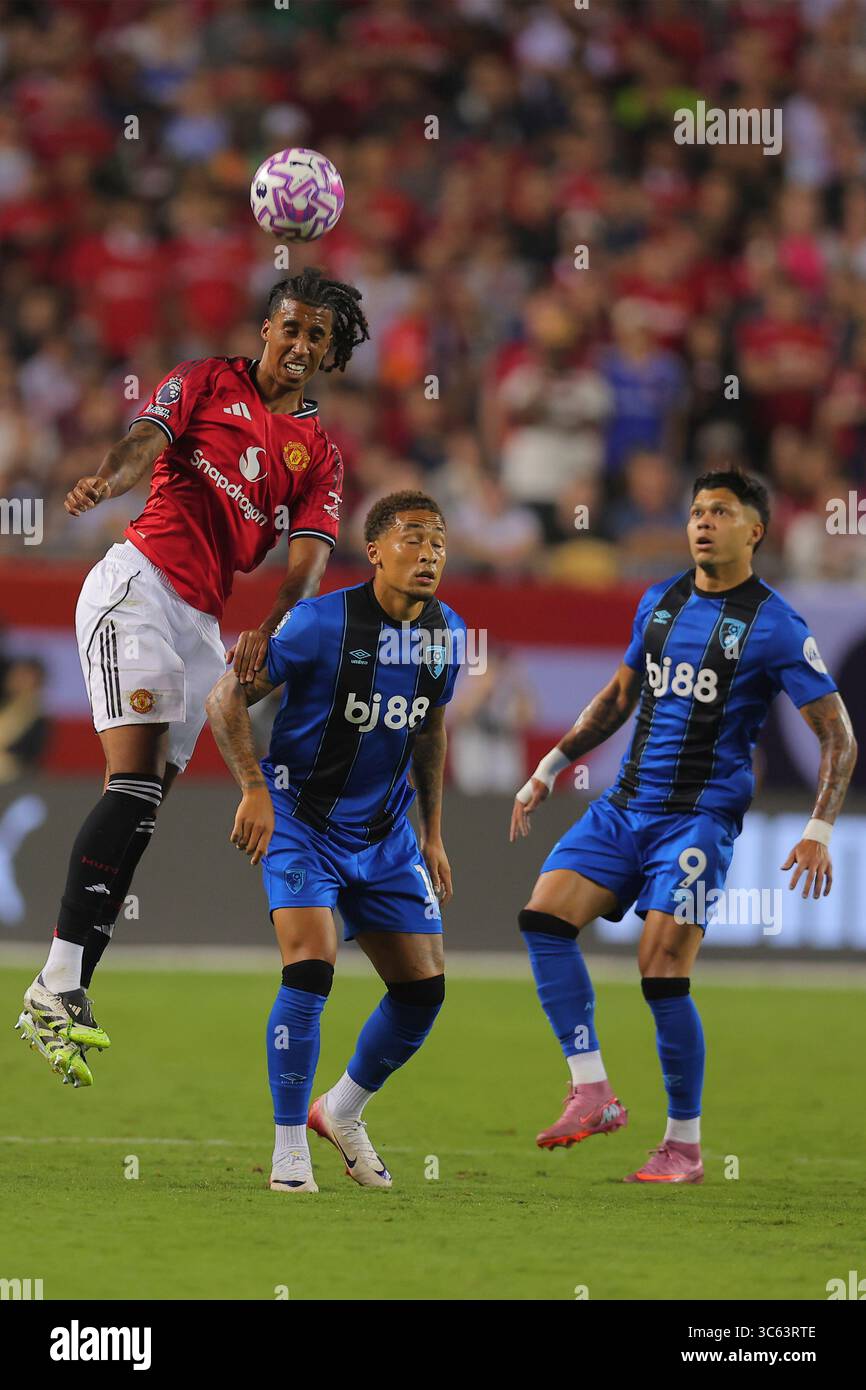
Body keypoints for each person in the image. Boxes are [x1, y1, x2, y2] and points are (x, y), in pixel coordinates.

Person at [16, 266, 369, 1088]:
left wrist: (271, 631)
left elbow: (307, 569)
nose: (300, 343)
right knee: (132, 784)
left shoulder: (318, 454)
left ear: (326, 353)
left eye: (317, 336)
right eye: (290, 326)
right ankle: (58, 984)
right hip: (136, 585)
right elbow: (146, 439)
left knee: (143, 810)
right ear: (266, 329)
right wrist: (110, 478)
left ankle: (59, 987)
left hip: (204, 624)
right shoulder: (206, 381)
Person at [509, 470, 857, 1184]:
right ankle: (593, 1090)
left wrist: (818, 829)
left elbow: (838, 736)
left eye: (721, 512)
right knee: (544, 919)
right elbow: (617, 697)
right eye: (697, 510)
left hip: (697, 821)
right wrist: (551, 765)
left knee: (661, 970)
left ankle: (685, 1145)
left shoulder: (778, 625)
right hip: (622, 807)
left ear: (754, 531)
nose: (703, 522)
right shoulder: (660, 600)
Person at [205, 491, 464, 1193]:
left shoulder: (447, 634)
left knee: (423, 991)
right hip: (300, 821)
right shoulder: (318, 623)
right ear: (375, 551)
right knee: (311, 966)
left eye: (439, 542)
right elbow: (225, 698)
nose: (430, 554)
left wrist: (431, 833)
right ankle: (289, 1146)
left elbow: (430, 727)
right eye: (413, 539)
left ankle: (341, 1112)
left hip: (385, 835)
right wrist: (254, 790)